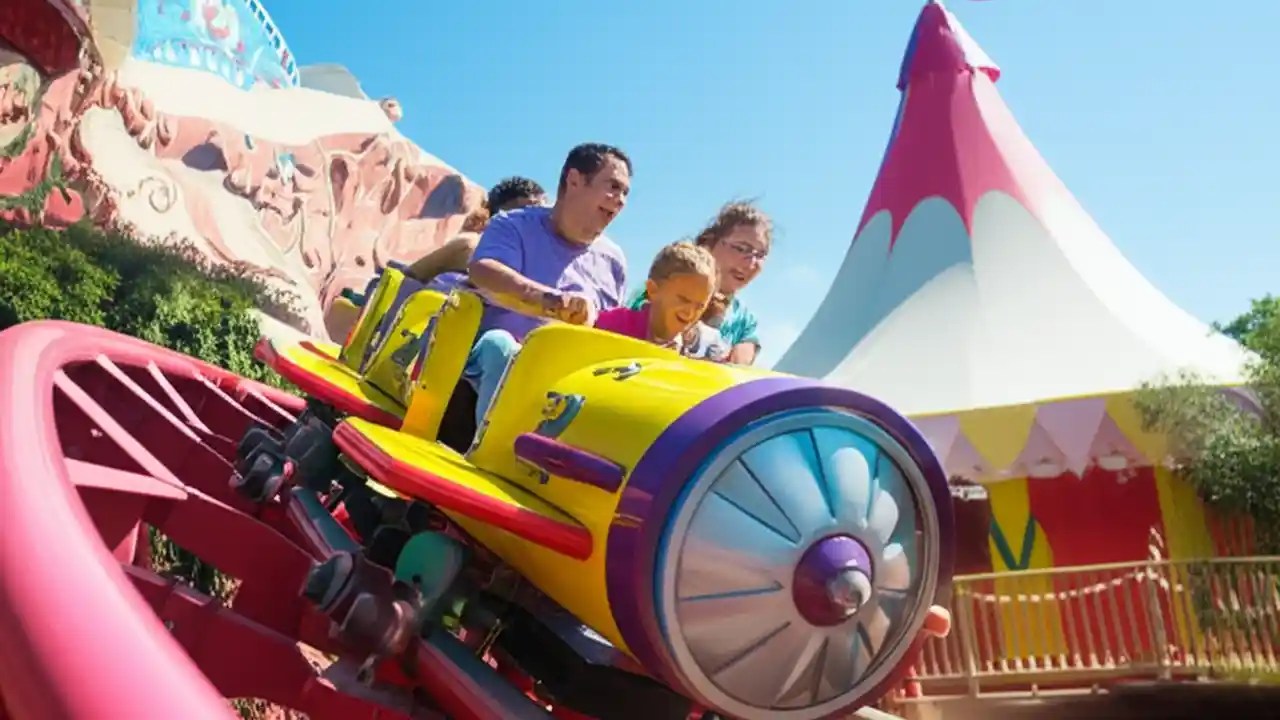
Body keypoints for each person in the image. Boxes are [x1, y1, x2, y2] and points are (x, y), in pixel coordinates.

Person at [463, 143, 632, 424]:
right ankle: (489, 454)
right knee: (500, 347)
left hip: (562, 382)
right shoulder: (513, 225)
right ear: (574, 180)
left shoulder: (614, 262)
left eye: (625, 192)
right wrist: (550, 302)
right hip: (483, 364)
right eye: (613, 186)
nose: (620, 200)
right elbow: (483, 270)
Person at [627, 201, 769, 365]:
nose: (751, 263)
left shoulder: (745, 321)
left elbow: (737, 370)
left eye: (760, 255)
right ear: (709, 243)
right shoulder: (663, 286)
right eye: (742, 248)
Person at [405, 176, 548, 290]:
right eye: (521, 216)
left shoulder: (546, 267)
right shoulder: (470, 246)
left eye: (539, 214)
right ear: (497, 218)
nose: (532, 222)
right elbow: (409, 277)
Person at [595, 242, 718, 353]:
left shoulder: (693, 350)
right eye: (684, 299)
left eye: (700, 306)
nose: (690, 313)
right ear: (652, 289)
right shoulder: (614, 325)